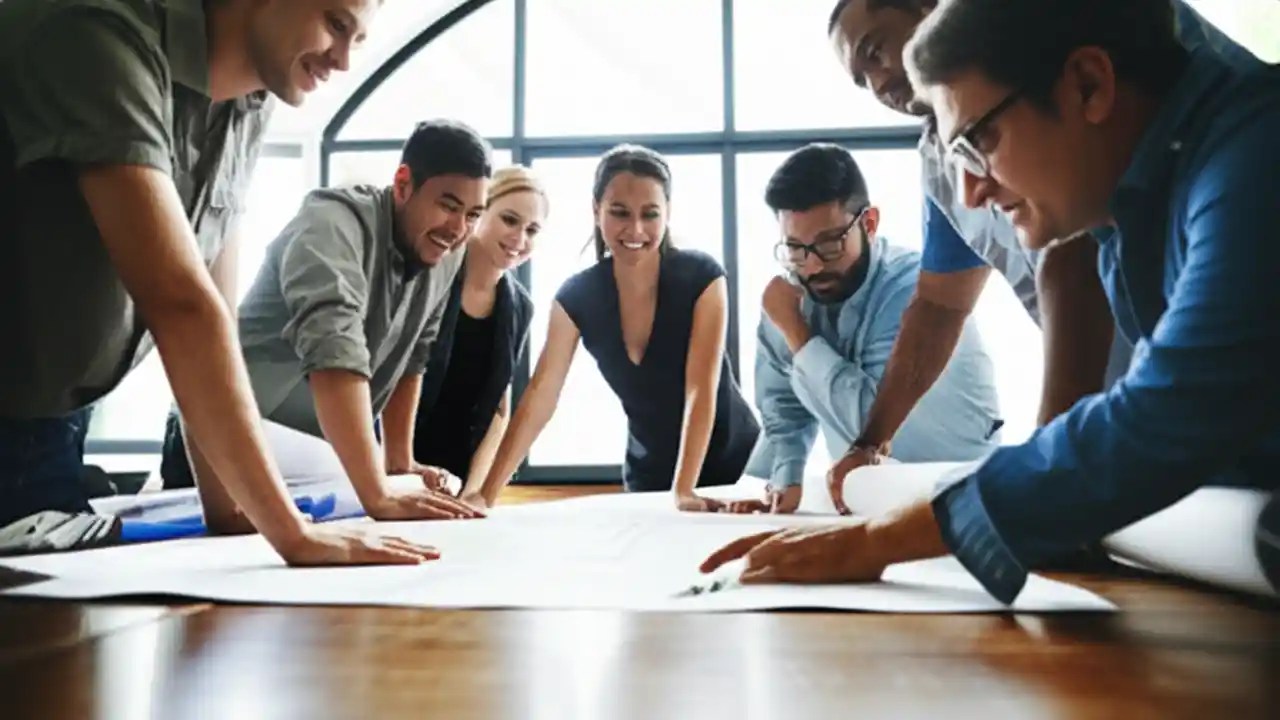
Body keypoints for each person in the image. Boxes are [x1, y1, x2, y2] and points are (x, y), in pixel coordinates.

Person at [702, 0, 1280, 601]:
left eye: (982, 139)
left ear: (1089, 84)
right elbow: (939, 306)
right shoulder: (1124, 218)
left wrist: (876, 542)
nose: (972, 194)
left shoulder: (1256, 161)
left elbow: (1173, 412)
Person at [0, 0, 443, 564]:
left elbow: (213, 313)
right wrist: (294, 535)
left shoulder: (250, 99)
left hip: (50, 431)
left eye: (357, 39)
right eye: (335, 24)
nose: (344, 62)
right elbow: (179, 302)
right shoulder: (95, 28)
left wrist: (232, 508)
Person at [820, 0, 1261, 515]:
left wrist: (1042, 492)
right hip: (1146, 441)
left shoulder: (1241, 156)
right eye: (859, 79)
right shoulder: (949, 158)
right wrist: (871, 442)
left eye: (874, 52)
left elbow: (1072, 269)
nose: (875, 85)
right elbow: (938, 308)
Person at [161, 119, 488, 524]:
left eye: (473, 214)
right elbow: (335, 352)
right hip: (224, 443)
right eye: (448, 206)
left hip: (320, 454)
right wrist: (378, 496)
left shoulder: (448, 251)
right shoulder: (331, 222)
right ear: (403, 184)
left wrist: (399, 465)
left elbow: (414, 354)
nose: (458, 229)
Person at [465, 145, 761, 512]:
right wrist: (486, 495)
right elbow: (541, 395)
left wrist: (684, 490)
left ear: (668, 213)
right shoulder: (576, 297)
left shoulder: (702, 277)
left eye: (650, 214)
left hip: (737, 469)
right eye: (619, 213)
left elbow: (700, 388)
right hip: (649, 476)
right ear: (596, 210)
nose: (635, 230)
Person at [735, 144, 1000, 514]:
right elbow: (783, 407)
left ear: (869, 224)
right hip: (866, 499)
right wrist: (785, 480)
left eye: (829, 244)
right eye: (795, 248)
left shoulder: (917, 292)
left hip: (961, 491)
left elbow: (875, 426)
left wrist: (798, 335)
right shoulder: (792, 294)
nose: (811, 267)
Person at [412, 166, 545, 496]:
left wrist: (475, 492)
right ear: (479, 213)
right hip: (396, 463)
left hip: (456, 475)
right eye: (510, 220)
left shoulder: (520, 307)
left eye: (532, 230)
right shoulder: (428, 276)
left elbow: (498, 408)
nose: (520, 239)